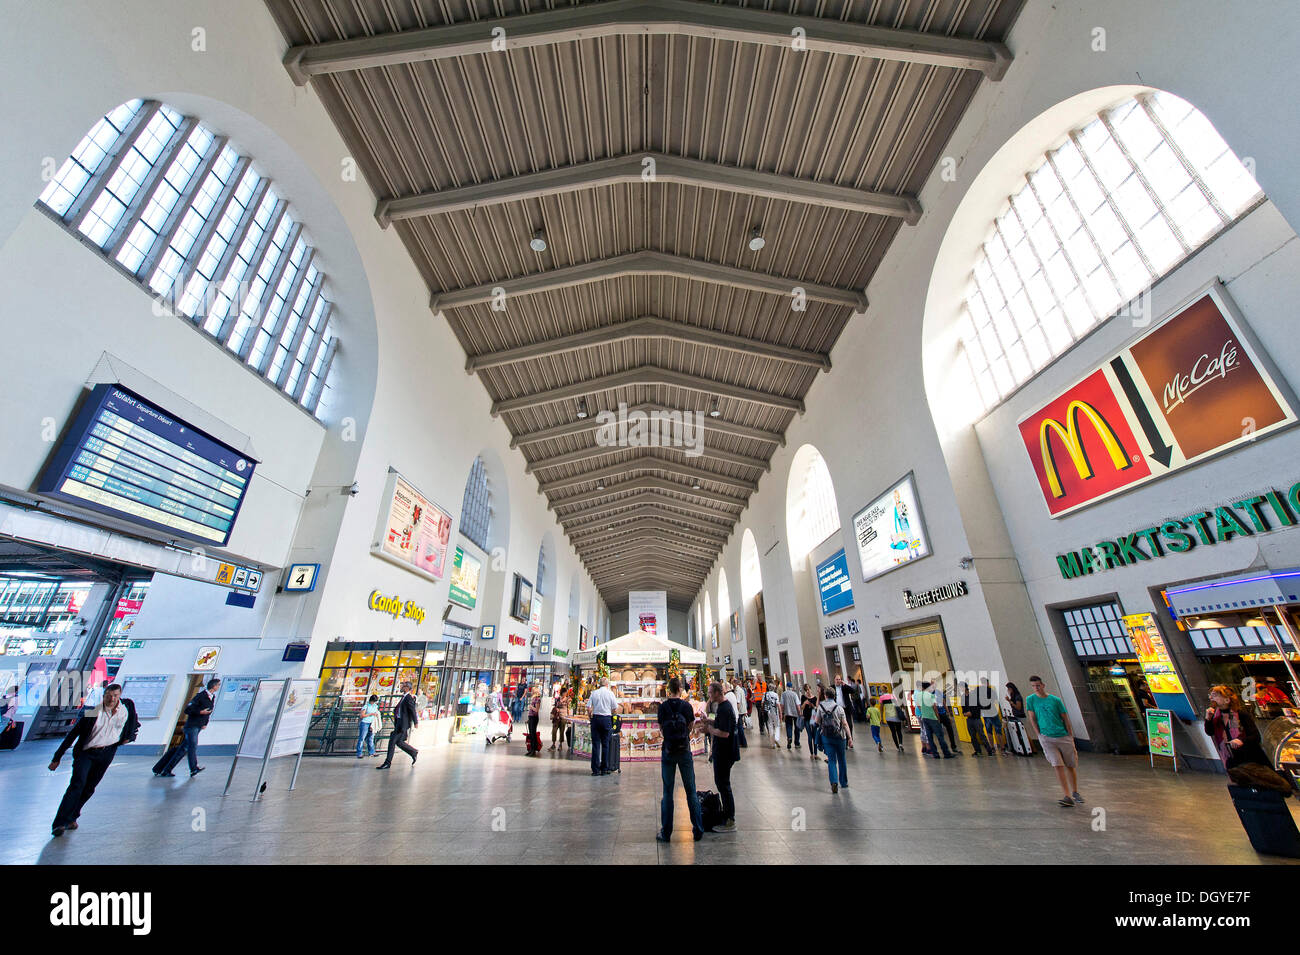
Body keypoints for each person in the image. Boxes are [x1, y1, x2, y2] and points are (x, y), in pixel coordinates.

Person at [48, 683, 139, 837]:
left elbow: (133, 724)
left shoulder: (127, 708)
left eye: (115, 696)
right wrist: (57, 758)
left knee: (89, 787)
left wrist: (129, 737)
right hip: (86, 753)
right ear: (104, 696)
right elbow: (72, 735)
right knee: (77, 785)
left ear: (119, 696)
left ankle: (72, 817)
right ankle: (59, 823)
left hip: (107, 752)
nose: (112, 699)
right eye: (109, 696)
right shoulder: (92, 713)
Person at [656, 677, 704, 842]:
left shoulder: (663, 707)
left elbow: (661, 728)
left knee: (667, 792)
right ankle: (698, 829)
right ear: (681, 689)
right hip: (684, 751)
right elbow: (691, 725)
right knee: (691, 791)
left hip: (668, 751)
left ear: (668, 689)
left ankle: (666, 832)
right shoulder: (686, 706)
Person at [1024, 675, 1081, 807]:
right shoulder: (1031, 699)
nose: (1036, 688)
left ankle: (1075, 791)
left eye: (1038, 685)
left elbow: (1064, 717)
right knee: (1057, 765)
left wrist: (1069, 735)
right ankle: (1067, 795)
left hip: (1062, 736)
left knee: (1070, 765)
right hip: (1046, 737)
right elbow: (1032, 718)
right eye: (1033, 686)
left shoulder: (1055, 700)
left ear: (1043, 685)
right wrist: (1039, 734)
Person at [156, 677, 220, 777]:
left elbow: (208, 712)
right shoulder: (200, 696)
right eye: (218, 685)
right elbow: (188, 710)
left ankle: (165, 770)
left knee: (182, 749)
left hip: (198, 726)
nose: (219, 686)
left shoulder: (212, 697)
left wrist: (205, 723)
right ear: (214, 686)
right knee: (192, 746)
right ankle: (194, 768)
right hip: (191, 726)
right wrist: (200, 712)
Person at [700, 681, 738, 832]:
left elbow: (725, 733)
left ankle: (730, 820)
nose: (709, 696)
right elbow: (721, 723)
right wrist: (709, 721)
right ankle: (726, 815)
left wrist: (709, 729)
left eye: (710, 693)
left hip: (725, 752)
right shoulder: (722, 708)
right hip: (721, 752)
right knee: (721, 783)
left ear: (717, 692)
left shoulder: (725, 708)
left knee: (724, 785)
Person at [1204, 685, 1269, 769]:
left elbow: (1256, 737)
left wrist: (1241, 740)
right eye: (1211, 695)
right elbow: (1210, 732)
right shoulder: (1216, 716)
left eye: (1215, 695)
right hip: (1231, 759)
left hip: (1250, 758)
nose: (1211, 698)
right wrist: (1208, 719)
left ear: (1226, 700)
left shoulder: (1241, 715)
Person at [815, 687, 850, 793]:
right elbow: (844, 723)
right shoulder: (839, 708)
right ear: (834, 696)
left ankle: (834, 782)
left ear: (825, 695)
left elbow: (817, 721)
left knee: (831, 760)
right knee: (842, 759)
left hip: (826, 737)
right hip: (840, 737)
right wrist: (850, 737)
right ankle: (843, 782)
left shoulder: (820, 707)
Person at [377, 682, 419, 769]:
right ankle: (413, 752)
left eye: (403, 686)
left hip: (402, 725)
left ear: (407, 688)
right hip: (399, 723)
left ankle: (387, 762)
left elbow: (412, 710)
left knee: (392, 741)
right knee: (399, 742)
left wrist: (416, 722)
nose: (401, 687)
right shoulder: (403, 697)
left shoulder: (408, 698)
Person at [588, 676, 619, 776]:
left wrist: (590, 718)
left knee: (596, 745)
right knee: (606, 744)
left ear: (599, 684)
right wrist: (611, 714)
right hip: (606, 719)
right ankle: (604, 769)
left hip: (596, 719)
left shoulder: (594, 693)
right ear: (607, 684)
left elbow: (588, 708)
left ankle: (595, 770)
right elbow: (615, 709)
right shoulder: (610, 693)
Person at [915, 681, 953, 758]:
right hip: (932, 718)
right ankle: (946, 753)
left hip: (925, 717)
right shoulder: (930, 696)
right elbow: (935, 708)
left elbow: (918, 705)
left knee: (929, 736)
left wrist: (924, 712)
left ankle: (935, 754)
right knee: (940, 736)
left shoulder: (918, 695)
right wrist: (938, 717)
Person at [961, 682, 993, 756]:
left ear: (965, 687)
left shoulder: (973, 696)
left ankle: (989, 750)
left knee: (981, 735)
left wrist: (971, 713)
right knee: (972, 736)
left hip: (976, 719)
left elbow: (978, 707)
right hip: (969, 719)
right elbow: (963, 709)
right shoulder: (963, 697)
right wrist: (965, 713)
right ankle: (978, 751)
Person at [978, 678, 1006, 754]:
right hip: (992, 712)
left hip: (985, 713)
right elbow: (995, 700)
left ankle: (992, 748)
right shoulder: (991, 691)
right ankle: (1002, 748)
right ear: (987, 683)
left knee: (988, 730)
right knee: (998, 730)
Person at [933, 678, 959, 754]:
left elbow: (944, 702)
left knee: (950, 729)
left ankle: (953, 746)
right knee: (939, 732)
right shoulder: (930, 694)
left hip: (943, 713)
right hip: (936, 715)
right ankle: (944, 749)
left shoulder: (939, 692)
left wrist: (948, 713)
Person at [832, 675, 857, 745]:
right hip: (836, 710)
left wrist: (845, 684)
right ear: (834, 680)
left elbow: (853, 691)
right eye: (837, 679)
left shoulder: (844, 687)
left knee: (849, 724)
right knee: (838, 725)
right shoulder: (832, 688)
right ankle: (841, 740)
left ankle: (849, 740)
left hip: (846, 708)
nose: (838, 681)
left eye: (839, 679)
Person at [800, 684, 821, 760]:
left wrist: (812, 705)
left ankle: (815, 753)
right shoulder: (803, 697)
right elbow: (801, 708)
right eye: (806, 690)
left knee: (815, 735)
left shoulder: (814, 698)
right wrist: (805, 703)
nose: (808, 691)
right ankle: (811, 753)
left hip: (813, 718)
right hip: (806, 718)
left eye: (809, 689)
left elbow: (817, 707)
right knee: (810, 736)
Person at [781, 682, 801, 750]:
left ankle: (789, 737)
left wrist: (782, 713)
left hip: (788, 713)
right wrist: (800, 713)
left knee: (789, 726)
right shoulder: (794, 694)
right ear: (792, 687)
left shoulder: (783, 694)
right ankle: (797, 743)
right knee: (797, 728)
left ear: (786, 687)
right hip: (795, 713)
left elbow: (782, 705)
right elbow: (798, 705)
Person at [550, 685, 568, 751]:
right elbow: (555, 706)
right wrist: (556, 709)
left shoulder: (568, 699)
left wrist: (568, 718)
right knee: (554, 730)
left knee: (562, 731)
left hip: (563, 717)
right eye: (565, 692)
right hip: (557, 717)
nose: (565, 694)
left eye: (566, 692)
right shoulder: (557, 699)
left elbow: (569, 709)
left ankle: (560, 745)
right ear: (562, 693)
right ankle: (553, 744)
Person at [526, 684, 542, 756]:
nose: (531, 692)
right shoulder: (533, 699)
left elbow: (536, 710)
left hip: (534, 718)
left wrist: (531, 707)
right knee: (531, 733)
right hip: (531, 717)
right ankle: (531, 749)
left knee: (533, 733)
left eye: (532, 691)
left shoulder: (538, 699)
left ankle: (533, 749)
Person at [763, 683, 781, 749]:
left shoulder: (765, 694)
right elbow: (778, 704)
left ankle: (772, 744)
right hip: (775, 712)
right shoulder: (775, 695)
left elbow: (762, 703)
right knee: (777, 726)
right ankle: (776, 738)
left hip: (768, 712)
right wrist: (780, 713)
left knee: (770, 726)